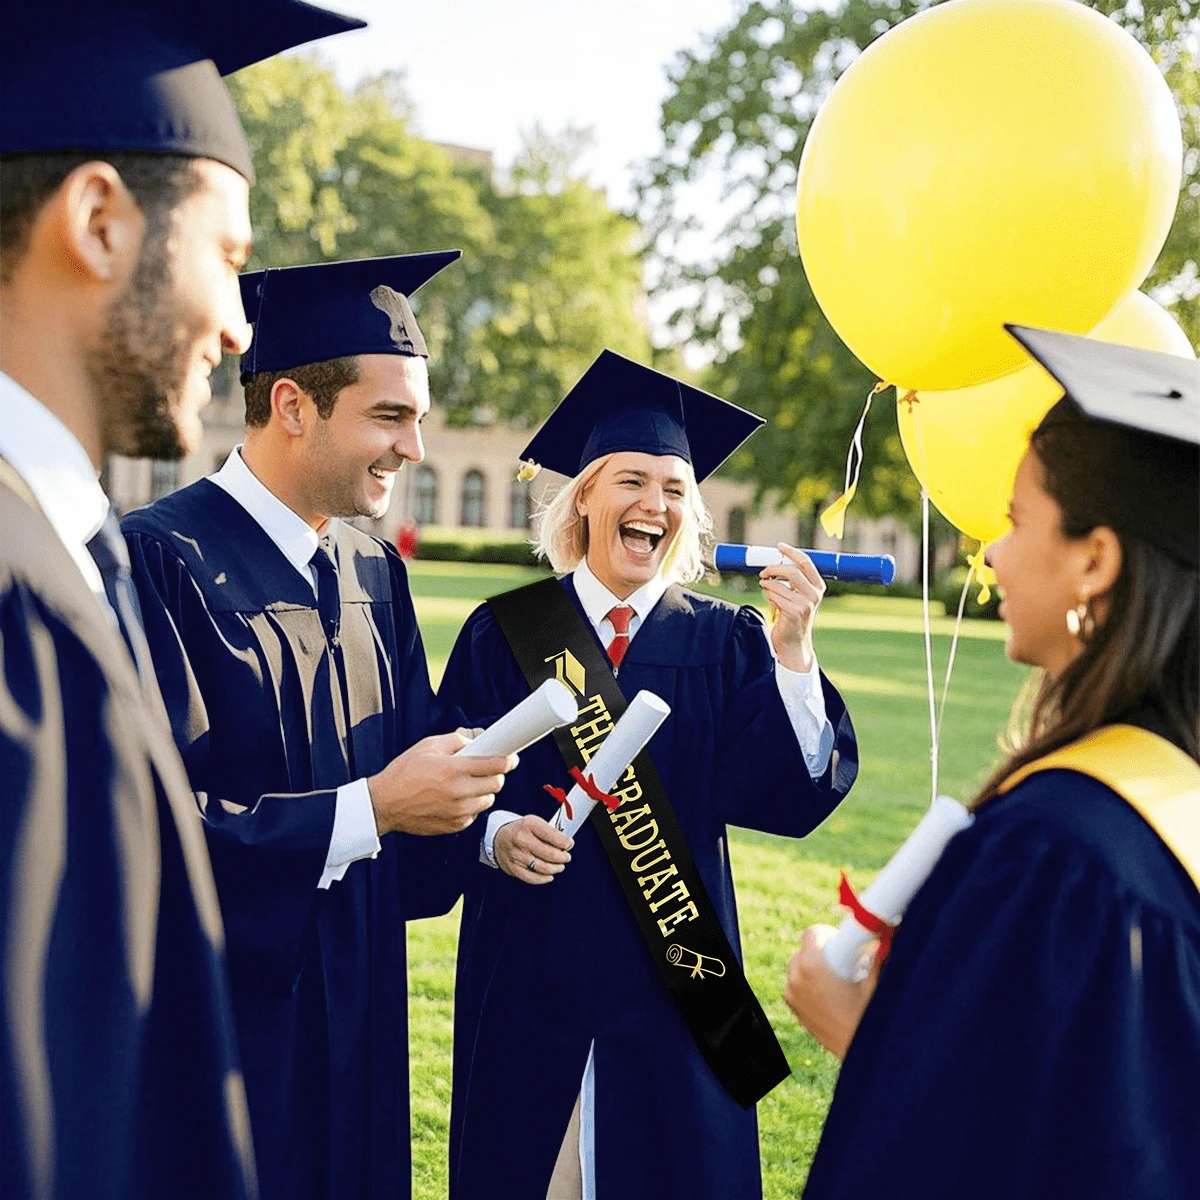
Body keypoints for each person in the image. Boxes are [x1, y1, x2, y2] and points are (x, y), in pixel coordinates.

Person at [0, 3, 361, 1197]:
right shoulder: (15, 585)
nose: (242, 326)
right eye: (230, 259)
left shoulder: (68, 553)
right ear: (100, 221)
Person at [121, 252, 518, 1200]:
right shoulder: (157, 560)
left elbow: (412, 823)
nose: (415, 450)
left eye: (418, 420)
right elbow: (149, 827)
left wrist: (476, 814)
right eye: (391, 417)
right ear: (293, 405)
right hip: (230, 1034)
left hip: (366, 1019)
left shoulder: (375, 574)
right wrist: (372, 809)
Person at [785, 328, 1200, 1200]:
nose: (994, 554)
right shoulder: (1174, 803)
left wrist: (859, 1029)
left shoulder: (1058, 850)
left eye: (1015, 522)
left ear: (1095, 558)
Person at [439, 350, 860, 1200]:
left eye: (675, 490)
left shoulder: (730, 641)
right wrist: (493, 836)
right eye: (632, 480)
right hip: (531, 969)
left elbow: (786, 793)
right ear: (585, 494)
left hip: (679, 985)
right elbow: (437, 780)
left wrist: (794, 650)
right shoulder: (506, 629)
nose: (654, 505)